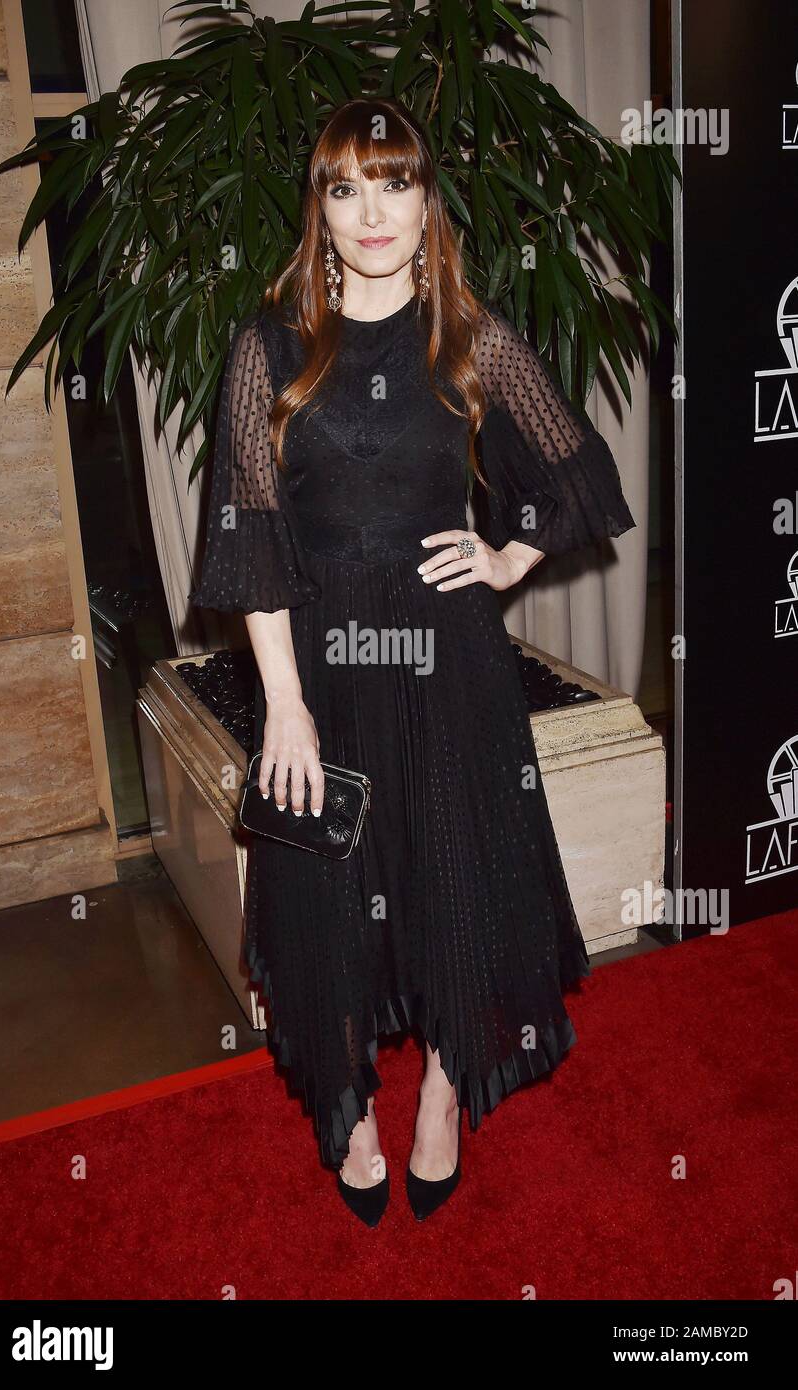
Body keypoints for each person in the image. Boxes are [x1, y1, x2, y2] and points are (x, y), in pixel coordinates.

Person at [190, 97, 637, 1227]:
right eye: (346, 187)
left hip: (451, 667)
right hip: (320, 671)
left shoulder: (471, 339)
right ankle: (351, 1112)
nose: (372, 210)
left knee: (451, 885)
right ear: (320, 210)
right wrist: (281, 707)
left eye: (393, 182)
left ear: (426, 199)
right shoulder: (268, 346)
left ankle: (441, 1092)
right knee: (330, 898)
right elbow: (250, 538)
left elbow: (577, 472)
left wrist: (504, 557)